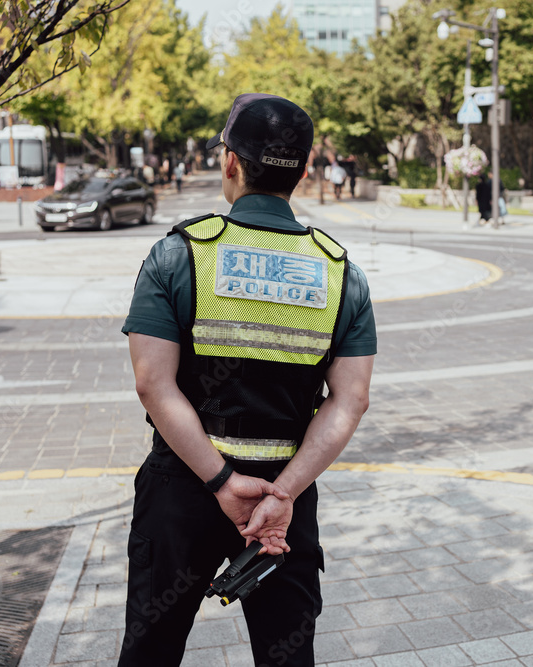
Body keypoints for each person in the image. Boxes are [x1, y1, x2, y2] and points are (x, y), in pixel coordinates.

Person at [118, 92, 376, 667]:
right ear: (304, 172)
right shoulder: (342, 274)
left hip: (183, 489)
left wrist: (221, 482)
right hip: (283, 501)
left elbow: (153, 384)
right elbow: (351, 400)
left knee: (150, 652)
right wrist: (282, 494)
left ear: (230, 161)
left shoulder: (179, 256)